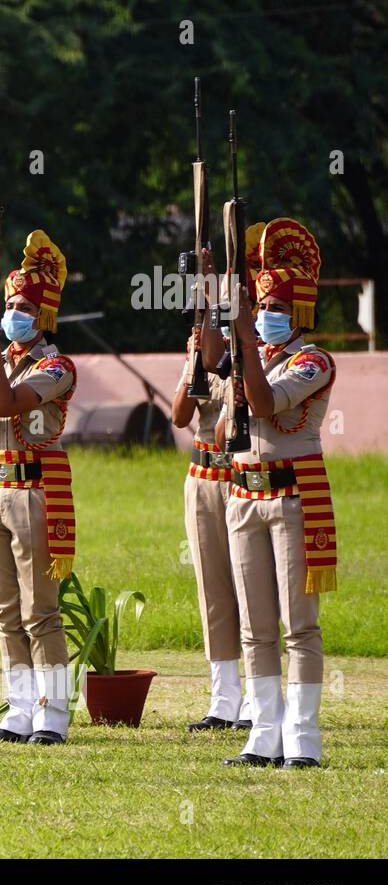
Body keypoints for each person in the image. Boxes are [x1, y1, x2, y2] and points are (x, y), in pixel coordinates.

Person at [222, 218, 336, 769]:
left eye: (275, 312)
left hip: (293, 499)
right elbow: (221, 429)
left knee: (298, 625)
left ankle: (304, 739)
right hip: (243, 496)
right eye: (261, 310)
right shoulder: (250, 359)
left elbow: (267, 406)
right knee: (254, 626)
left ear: (299, 316)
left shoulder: (312, 361)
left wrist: (244, 341)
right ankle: (263, 734)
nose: (266, 319)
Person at [0, 230, 77, 746]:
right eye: (8, 307)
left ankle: (51, 711)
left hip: (32, 492)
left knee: (39, 610)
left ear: (45, 314)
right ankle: (18, 708)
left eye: (23, 307)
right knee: (5, 611)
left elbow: (9, 404)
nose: (15, 315)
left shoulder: (55, 366)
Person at [172, 225, 265, 732]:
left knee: (249, 587)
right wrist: (193, 361)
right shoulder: (200, 353)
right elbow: (180, 415)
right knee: (213, 587)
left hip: (240, 477)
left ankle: (256, 691)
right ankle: (223, 695)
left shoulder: (247, 358)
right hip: (201, 477)